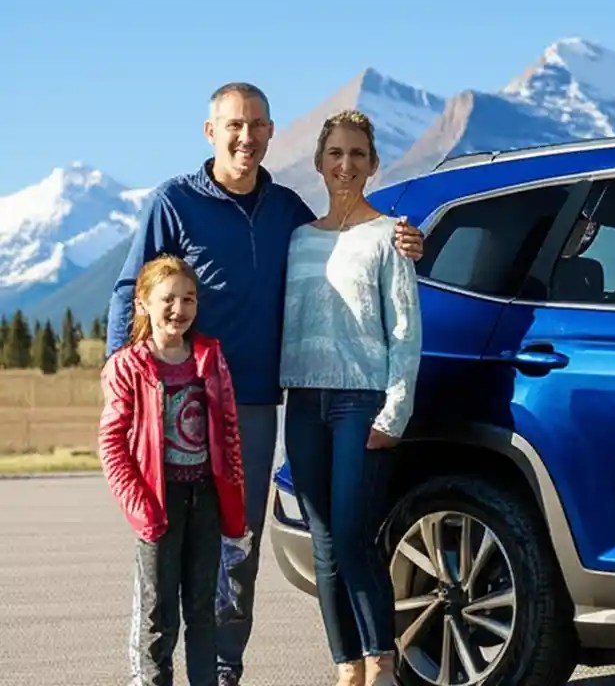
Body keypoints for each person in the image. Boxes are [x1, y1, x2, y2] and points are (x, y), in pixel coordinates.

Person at [105, 82, 425, 686]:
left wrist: (412, 242)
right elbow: (131, 291)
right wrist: (118, 376)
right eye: (233, 125)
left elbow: (351, 243)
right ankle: (149, 673)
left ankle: (224, 671)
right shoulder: (172, 201)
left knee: (238, 544)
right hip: (170, 398)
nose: (245, 136)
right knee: (161, 538)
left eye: (256, 125)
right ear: (211, 132)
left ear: (273, 133)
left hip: (251, 402)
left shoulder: (288, 215)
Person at [278, 110, 421, 686]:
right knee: (324, 542)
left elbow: (405, 331)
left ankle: (380, 663)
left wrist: (395, 411)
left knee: (355, 535)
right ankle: (346, 668)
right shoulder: (297, 240)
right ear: (319, 163)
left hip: (362, 401)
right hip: (304, 402)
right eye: (335, 153)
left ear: (373, 164)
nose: (345, 165)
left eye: (357, 154)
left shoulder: (391, 236)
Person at [98, 254, 247, 686]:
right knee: (158, 615)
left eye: (188, 299)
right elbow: (111, 443)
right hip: (158, 506)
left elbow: (230, 432)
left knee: (203, 611)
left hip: (205, 498)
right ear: (142, 302)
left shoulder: (209, 357)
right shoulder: (128, 366)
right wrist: (141, 508)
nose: (178, 310)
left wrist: (231, 505)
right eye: (167, 299)